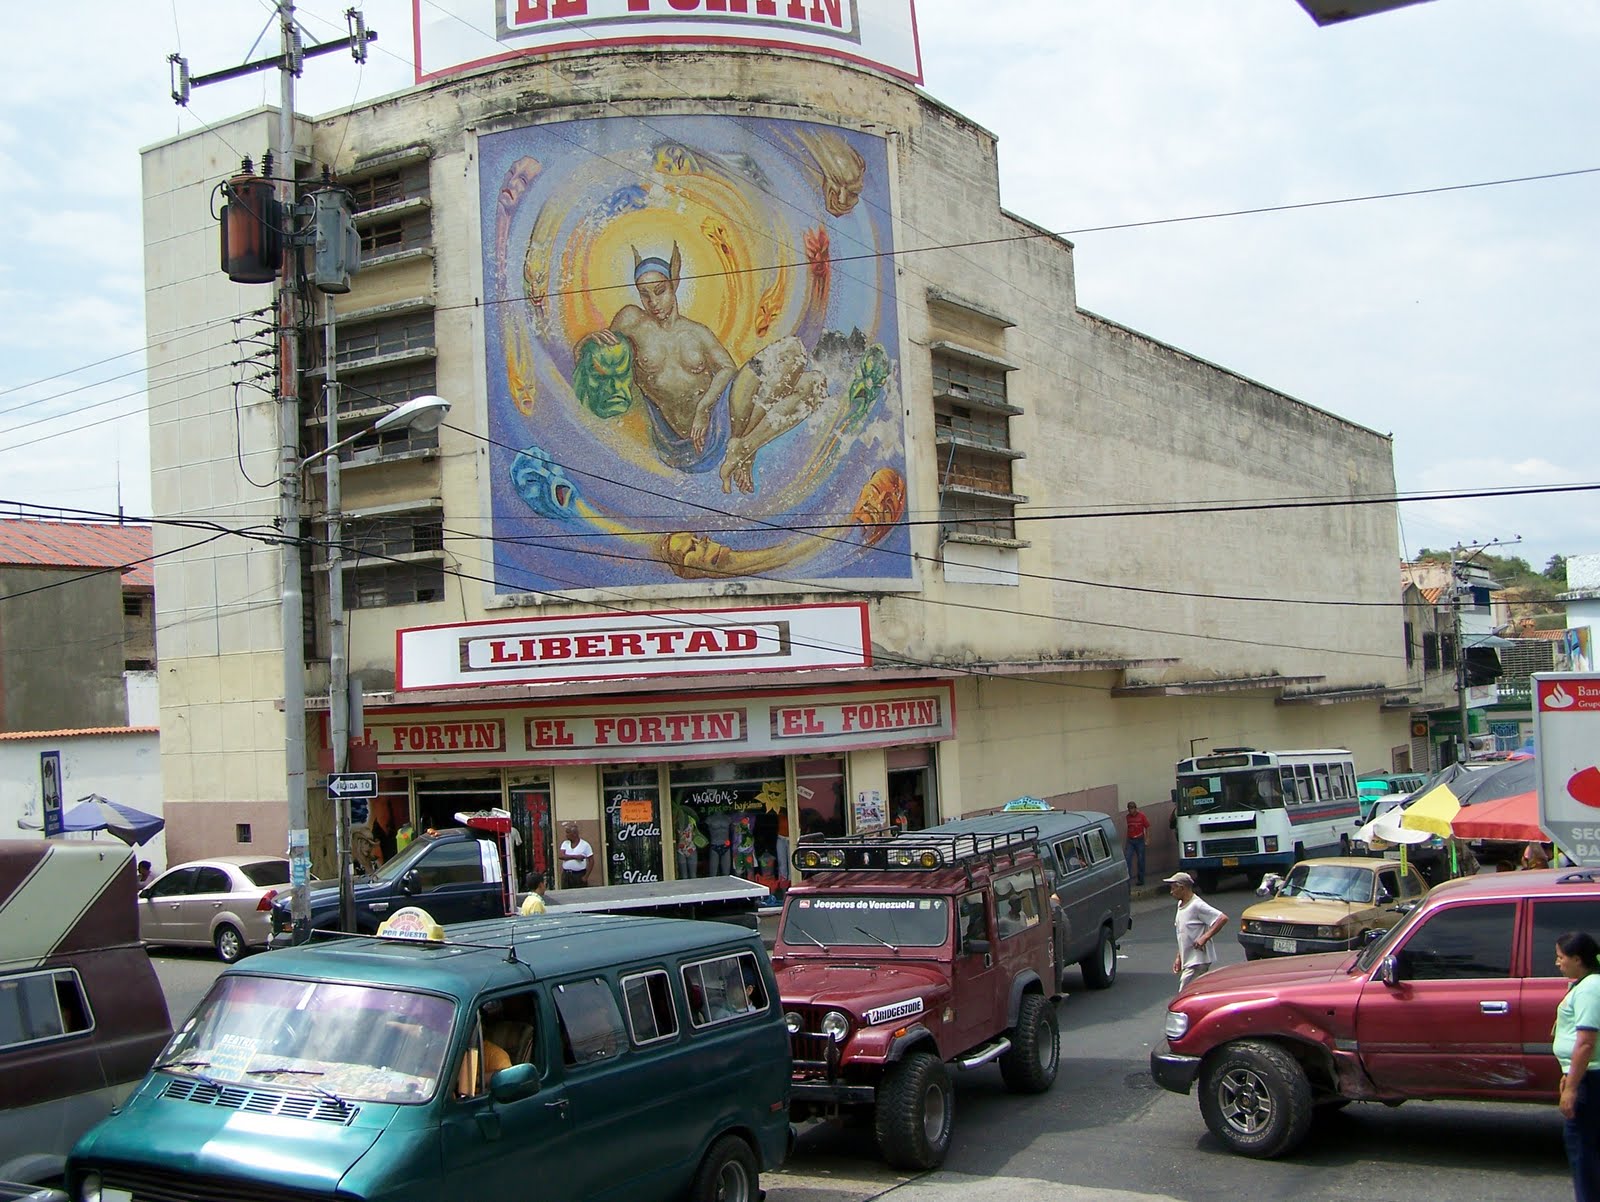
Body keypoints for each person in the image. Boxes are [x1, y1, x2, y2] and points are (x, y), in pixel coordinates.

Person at [1554, 930, 1600, 1200]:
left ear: (1578, 959)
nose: (1557, 963)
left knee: (1582, 1150)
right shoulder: (1586, 984)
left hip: (1591, 1080)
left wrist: (1571, 1088)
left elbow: (1585, 1041)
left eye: (1561, 957)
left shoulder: (1591, 988)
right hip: (1585, 1076)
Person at [1165, 871, 1228, 992]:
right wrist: (1179, 957)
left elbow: (1222, 918)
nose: (1171, 892)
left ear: (1182, 888)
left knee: (1185, 993)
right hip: (1188, 959)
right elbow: (1182, 933)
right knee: (1194, 993)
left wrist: (1205, 937)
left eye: (1173, 888)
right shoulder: (1181, 905)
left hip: (1198, 960)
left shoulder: (1197, 905)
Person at [558, 822, 593, 889]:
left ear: (574, 834)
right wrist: (576, 857)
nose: (566, 835)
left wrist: (586, 876)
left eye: (568, 833)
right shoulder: (565, 843)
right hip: (567, 875)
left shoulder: (585, 845)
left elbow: (591, 861)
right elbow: (561, 856)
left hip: (579, 875)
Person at [1123, 801, 1150, 886]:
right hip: (1131, 840)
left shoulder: (1141, 816)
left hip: (1140, 840)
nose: (1131, 811)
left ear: (1135, 808)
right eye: (1129, 809)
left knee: (1141, 860)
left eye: (1132, 808)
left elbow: (1147, 827)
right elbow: (1128, 829)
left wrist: (1147, 838)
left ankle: (1141, 879)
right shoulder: (1128, 818)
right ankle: (1128, 880)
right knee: (1127, 859)